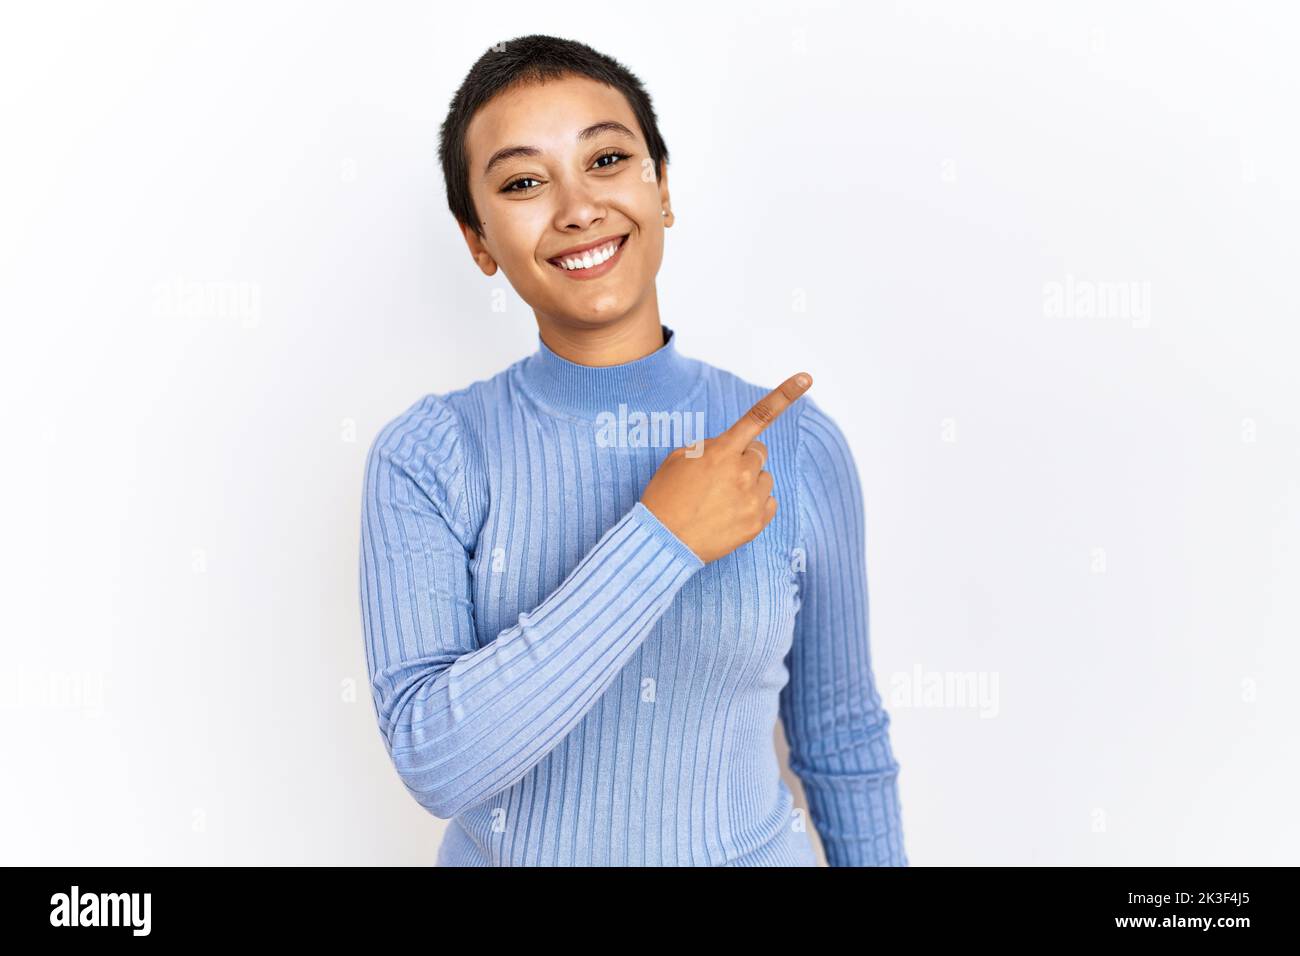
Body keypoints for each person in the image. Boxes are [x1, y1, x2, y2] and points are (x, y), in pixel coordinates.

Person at [358, 34, 908, 866]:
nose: (578, 207)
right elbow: (439, 762)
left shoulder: (792, 441)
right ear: (477, 239)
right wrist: (662, 538)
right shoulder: (430, 457)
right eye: (523, 182)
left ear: (663, 190)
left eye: (608, 159)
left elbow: (841, 740)